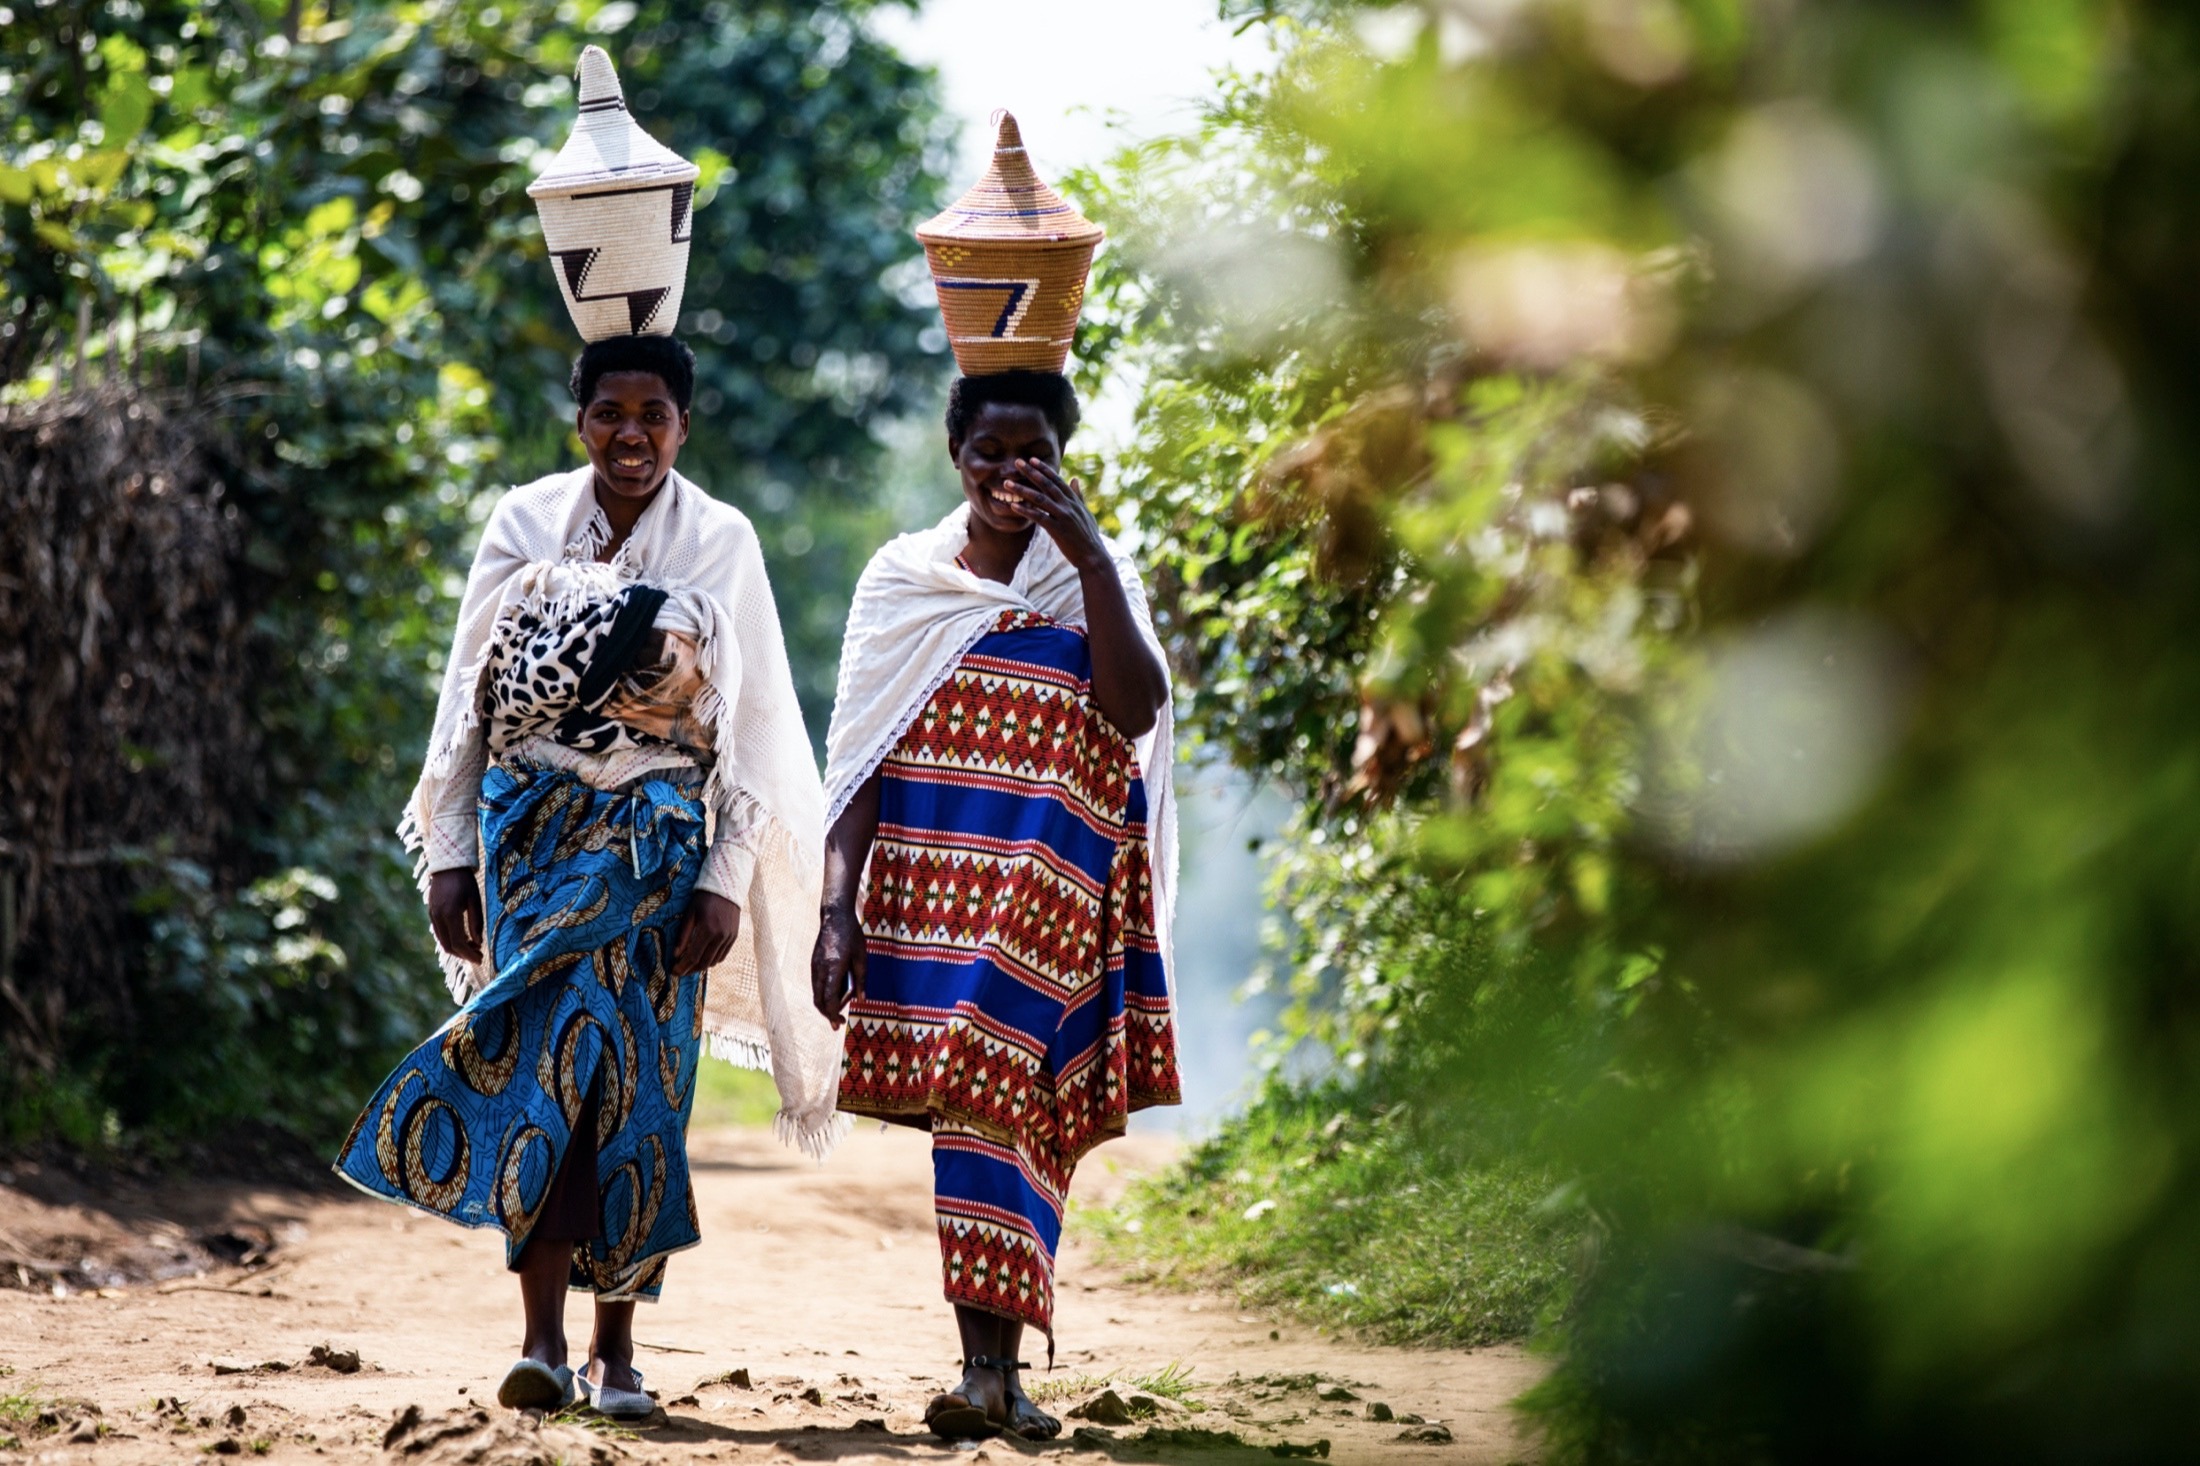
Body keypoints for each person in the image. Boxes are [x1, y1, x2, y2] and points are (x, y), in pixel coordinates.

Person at [333, 327, 836, 1417]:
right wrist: (452, 853)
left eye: (653, 415)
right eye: (611, 413)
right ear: (582, 421)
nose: (631, 435)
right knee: (539, 1069)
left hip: (660, 849)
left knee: (638, 1087)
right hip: (528, 837)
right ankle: (540, 1341)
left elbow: (746, 726)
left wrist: (723, 875)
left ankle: (616, 1351)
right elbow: (468, 692)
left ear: (682, 427)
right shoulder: (521, 520)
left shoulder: (721, 538)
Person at [813, 367, 1182, 1441]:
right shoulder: (904, 580)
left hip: (1055, 890)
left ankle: (989, 1368)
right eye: (989, 454)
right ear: (954, 457)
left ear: (1065, 464)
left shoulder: (1088, 577)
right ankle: (996, 1374)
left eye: (1037, 457)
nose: (1011, 476)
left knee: (998, 1093)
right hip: (933, 899)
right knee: (986, 1115)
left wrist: (1092, 555)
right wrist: (839, 911)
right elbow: (859, 758)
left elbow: (1137, 703)